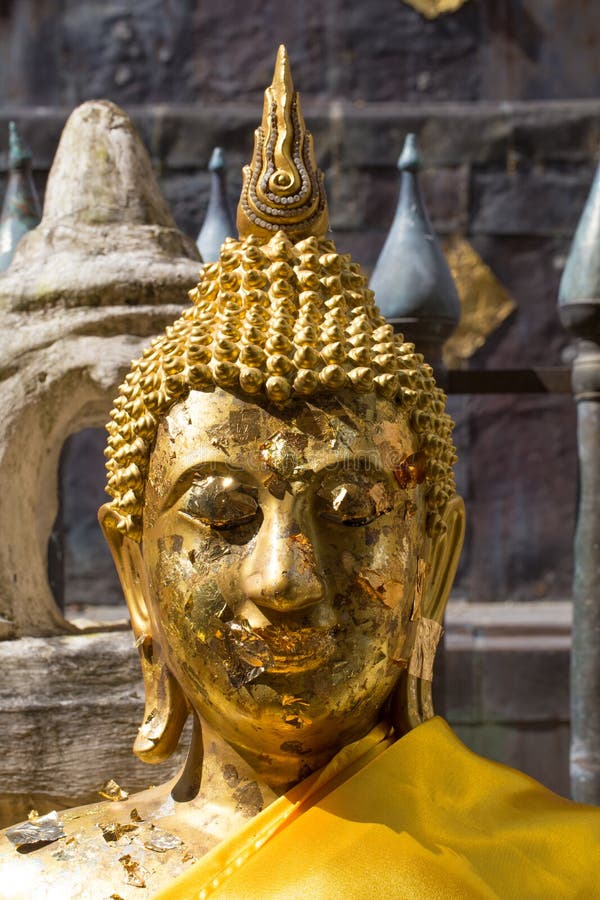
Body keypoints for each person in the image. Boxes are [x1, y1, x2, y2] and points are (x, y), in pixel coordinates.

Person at [1, 45, 598, 900]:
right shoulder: (35, 878)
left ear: (433, 563)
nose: (286, 578)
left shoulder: (564, 870)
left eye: (353, 512)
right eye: (220, 512)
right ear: (134, 572)